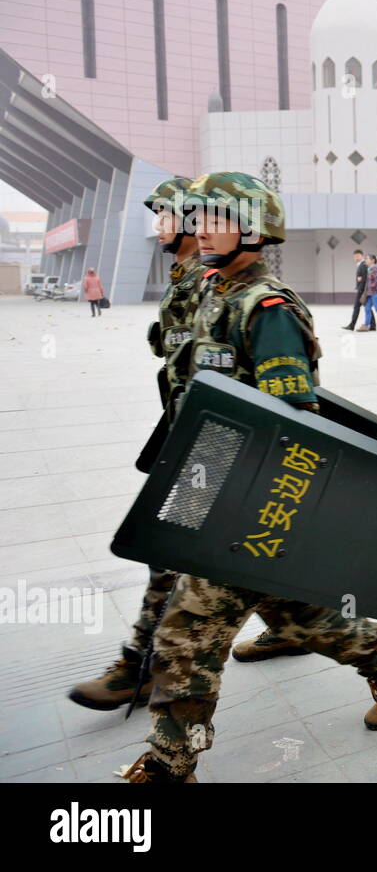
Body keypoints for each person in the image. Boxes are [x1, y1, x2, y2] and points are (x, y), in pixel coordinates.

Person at [123, 172, 377, 783]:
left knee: (186, 630)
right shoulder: (211, 290)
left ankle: (170, 763)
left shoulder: (269, 309)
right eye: (197, 218)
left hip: (245, 496)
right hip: (204, 480)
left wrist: (252, 511)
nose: (200, 229)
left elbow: (294, 423)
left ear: (252, 229)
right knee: (294, 614)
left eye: (216, 218)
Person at [68, 177, 218, 711]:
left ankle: (139, 667)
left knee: (167, 556)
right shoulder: (184, 277)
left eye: (166, 215)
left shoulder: (210, 280)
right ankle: (320, 633)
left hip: (214, 449)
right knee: (238, 568)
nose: (158, 226)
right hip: (188, 436)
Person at [342, 248, 367, 330]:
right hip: (361, 289)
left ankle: (352, 325)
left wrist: (360, 288)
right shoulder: (361, 264)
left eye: (358, 256)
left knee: (356, 307)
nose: (356, 258)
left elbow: (364, 278)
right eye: (355, 256)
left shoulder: (363, 265)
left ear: (362, 256)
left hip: (361, 290)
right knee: (367, 307)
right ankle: (373, 325)